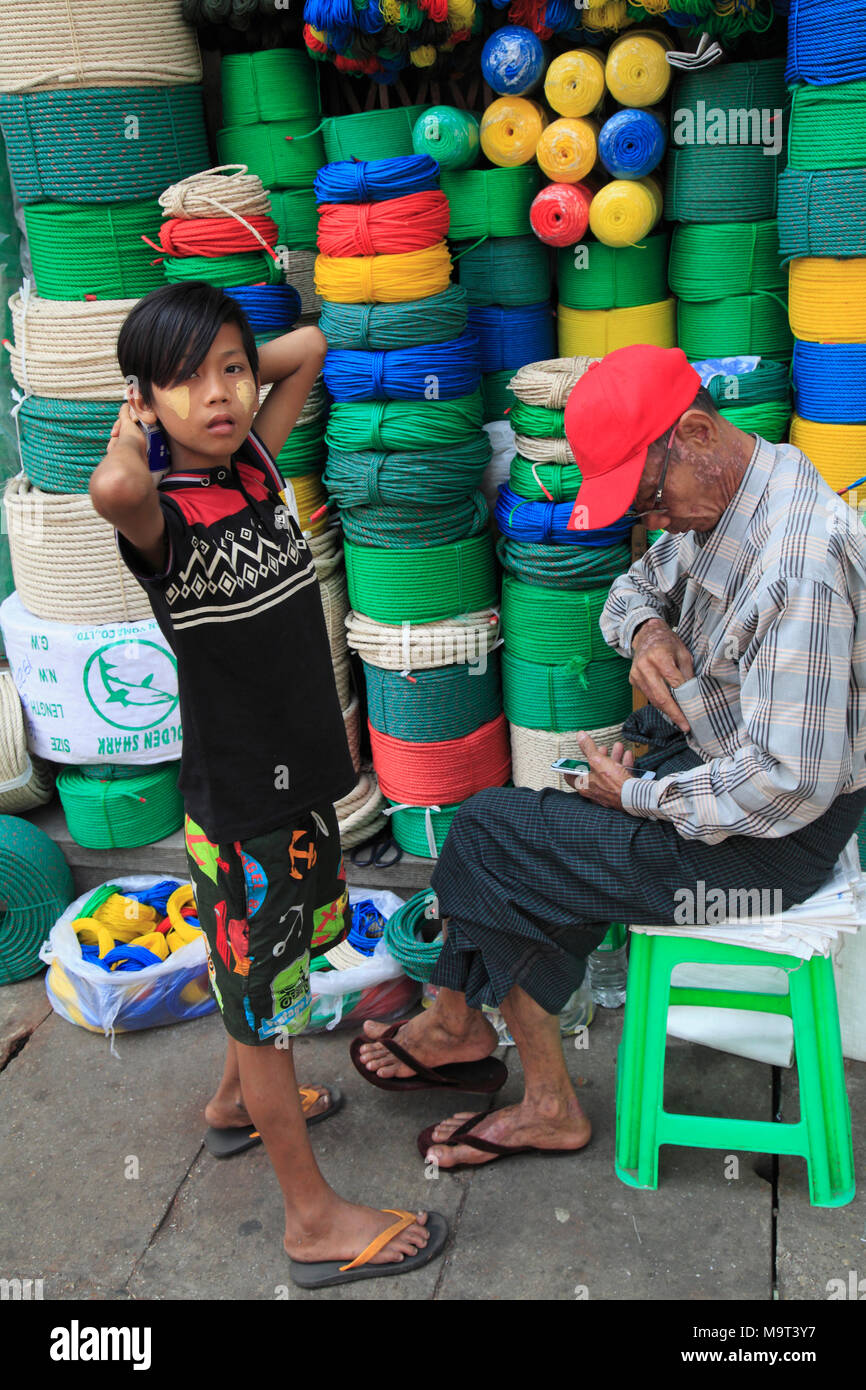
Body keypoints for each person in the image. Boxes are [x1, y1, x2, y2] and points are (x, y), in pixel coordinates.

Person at [353, 343, 866, 1170]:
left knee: (489, 831)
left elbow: (786, 783)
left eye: (651, 498)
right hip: (717, 768)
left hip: (770, 848)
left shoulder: (797, 564)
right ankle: (454, 1023)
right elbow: (629, 593)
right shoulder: (735, 493)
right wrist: (651, 628)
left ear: (695, 433)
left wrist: (638, 799)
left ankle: (540, 1098)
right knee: (524, 834)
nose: (651, 522)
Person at [90, 281, 446, 1287]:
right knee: (263, 1010)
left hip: (296, 788)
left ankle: (231, 1105)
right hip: (242, 805)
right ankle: (310, 1219)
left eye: (230, 369)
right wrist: (136, 422)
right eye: (185, 380)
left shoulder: (248, 464)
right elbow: (112, 490)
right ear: (142, 400)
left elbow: (314, 345)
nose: (220, 393)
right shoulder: (161, 515)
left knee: (273, 970)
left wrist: (234, 371)